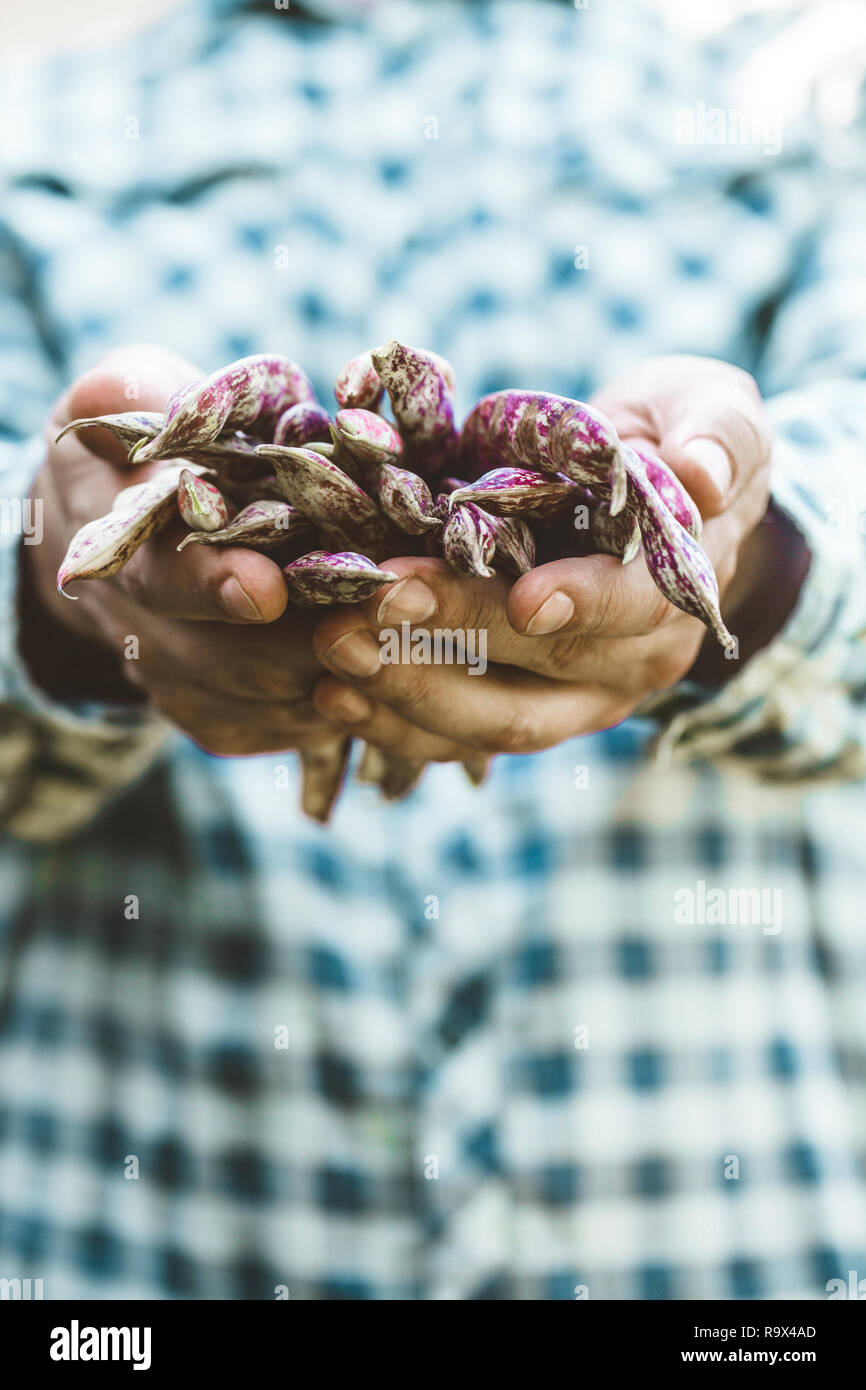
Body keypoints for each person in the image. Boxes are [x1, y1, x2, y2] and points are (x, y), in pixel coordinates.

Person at [1, 0, 865, 1300]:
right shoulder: (31, 135)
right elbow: (51, 534)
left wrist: (753, 555)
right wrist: (61, 600)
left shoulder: (792, 119)